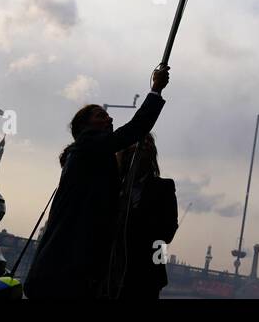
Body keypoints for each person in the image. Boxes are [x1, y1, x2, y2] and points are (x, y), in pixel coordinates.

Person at [24, 64, 169, 299]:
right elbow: (132, 131)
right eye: (101, 115)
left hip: (78, 267)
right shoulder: (89, 144)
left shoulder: (91, 159)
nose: (109, 118)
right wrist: (156, 90)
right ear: (85, 127)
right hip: (70, 265)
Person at [111, 133, 179, 299]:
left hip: (145, 277)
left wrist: (156, 273)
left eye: (148, 142)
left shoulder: (164, 187)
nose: (143, 146)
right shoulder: (112, 186)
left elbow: (166, 234)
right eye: (137, 142)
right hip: (108, 272)